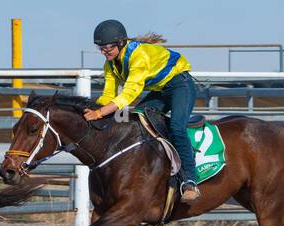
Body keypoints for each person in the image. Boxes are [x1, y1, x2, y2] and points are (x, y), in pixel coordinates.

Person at [83, 19, 201, 202]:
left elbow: (129, 94)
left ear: (120, 43)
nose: (104, 51)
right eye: (101, 48)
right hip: (160, 91)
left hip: (180, 85)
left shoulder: (138, 56)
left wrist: (100, 114)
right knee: (137, 121)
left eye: (107, 47)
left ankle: (190, 182)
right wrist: (92, 110)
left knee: (177, 128)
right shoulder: (110, 65)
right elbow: (107, 95)